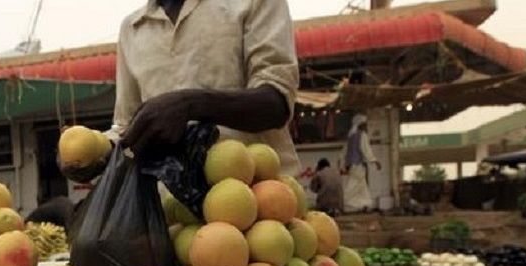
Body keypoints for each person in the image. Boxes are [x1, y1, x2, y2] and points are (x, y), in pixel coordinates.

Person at [63, 0, 300, 179]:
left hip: (262, 202)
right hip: (174, 211)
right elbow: (127, 126)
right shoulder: (132, 29)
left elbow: (276, 102)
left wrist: (190, 105)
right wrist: (96, 152)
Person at [340, 114, 380, 213]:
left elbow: (344, 152)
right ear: (360, 124)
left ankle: (365, 205)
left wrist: (343, 164)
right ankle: (345, 203)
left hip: (352, 165)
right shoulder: (362, 135)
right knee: (353, 185)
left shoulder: (351, 136)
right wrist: (374, 161)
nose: (366, 126)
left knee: (362, 186)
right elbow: (365, 150)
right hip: (357, 165)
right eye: (365, 124)